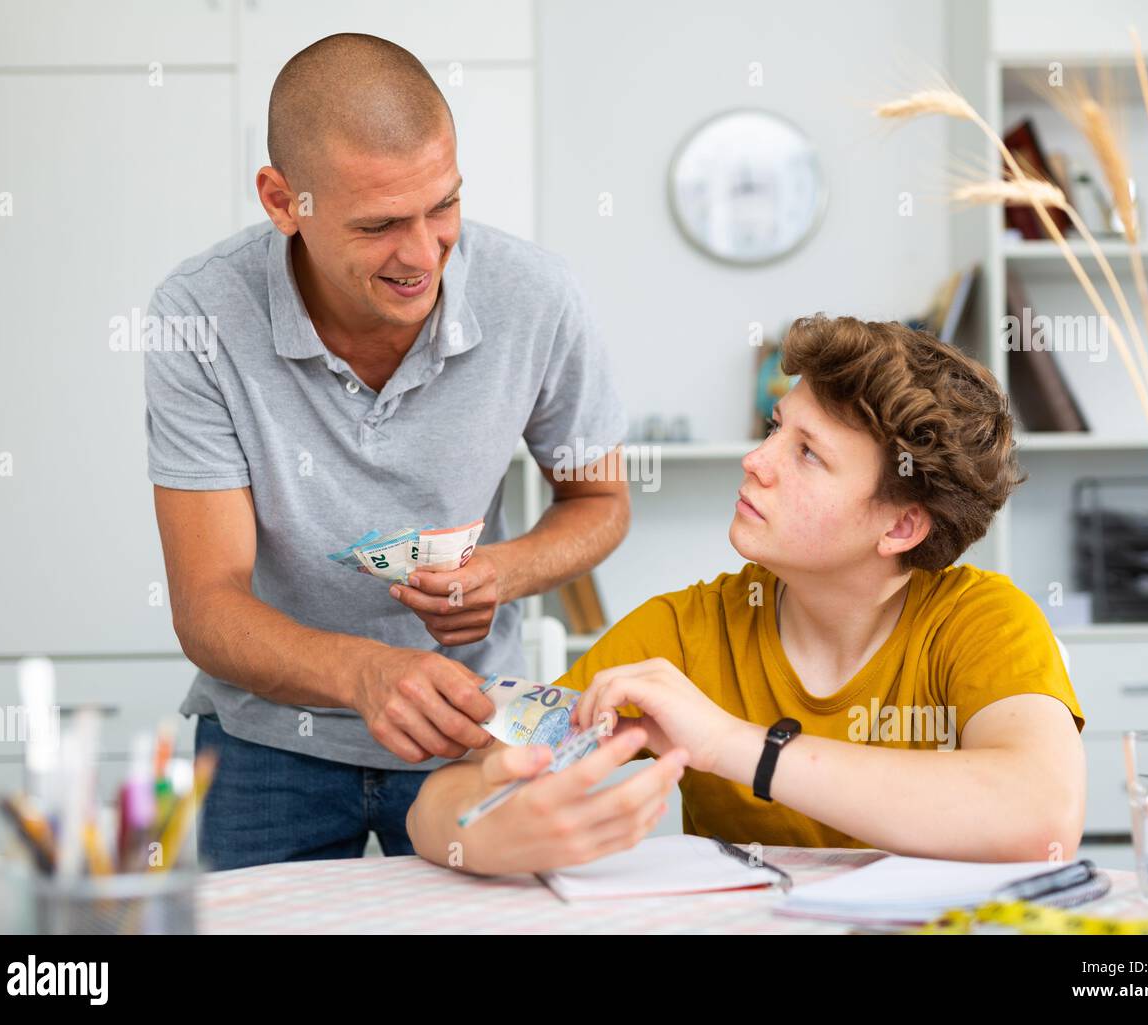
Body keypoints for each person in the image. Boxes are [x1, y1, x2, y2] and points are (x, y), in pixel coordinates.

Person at [144, 34, 629, 869]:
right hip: (266, 747)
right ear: (280, 199)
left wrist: (505, 571)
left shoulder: (536, 296)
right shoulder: (198, 315)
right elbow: (206, 604)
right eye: (378, 225)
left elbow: (601, 501)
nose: (422, 254)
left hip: (471, 730)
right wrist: (365, 673)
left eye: (442, 206)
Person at [407, 314, 1087, 875]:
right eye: (773, 429)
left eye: (808, 453)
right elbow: (444, 798)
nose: (755, 460)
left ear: (902, 524)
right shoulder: (683, 633)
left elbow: (1041, 815)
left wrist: (733, 745)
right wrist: (494, 832)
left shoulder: (983, 621)